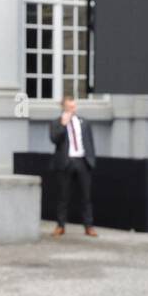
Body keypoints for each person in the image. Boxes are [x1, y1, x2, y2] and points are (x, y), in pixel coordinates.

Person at [47, 94, 98, 238]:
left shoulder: (84, 122)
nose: (73, 109)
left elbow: (90, 142)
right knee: (63, 196)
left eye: (74, 106)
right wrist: (63, 124)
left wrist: (91, 160)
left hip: (82, 161)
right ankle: (60, 225)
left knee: (86, 196)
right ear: (64, 107)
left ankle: (89, 226)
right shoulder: (56, 123)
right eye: (70, 106)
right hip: (66, 162)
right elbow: (54, 139)